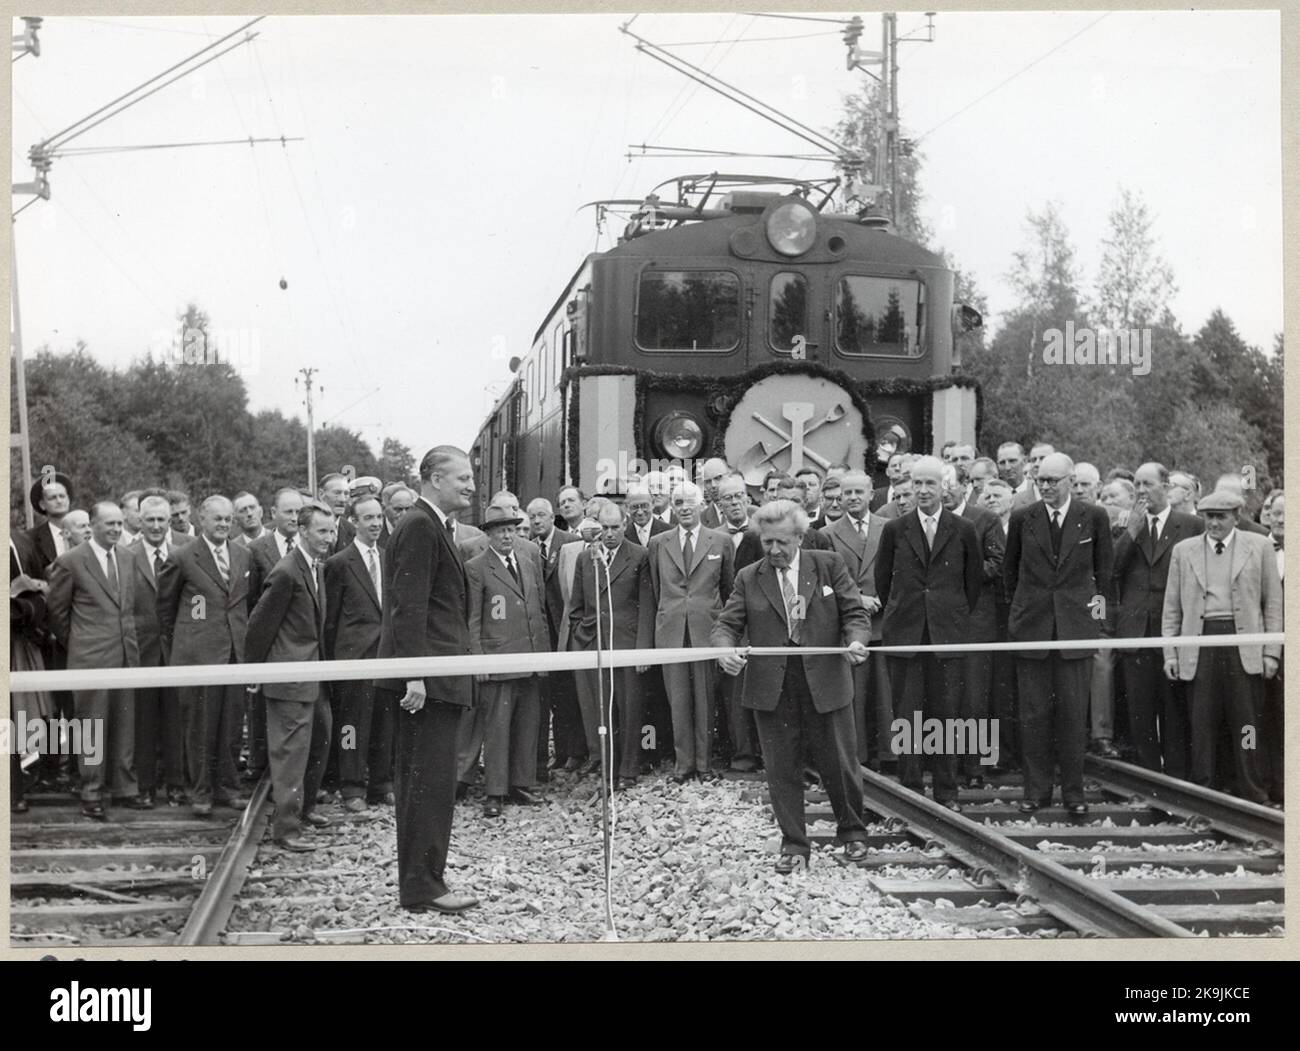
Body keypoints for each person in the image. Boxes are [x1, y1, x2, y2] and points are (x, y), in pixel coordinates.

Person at [713, 500, 872, 872]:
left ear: (800, 537)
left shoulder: (828, 565)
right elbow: (725, 625)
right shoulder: (749, 576)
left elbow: (855, 614)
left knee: (840, 763)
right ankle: (795, 845)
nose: (774, 551)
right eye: (767, 542)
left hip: (825, 681)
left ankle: (853, 834)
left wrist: (855, 640)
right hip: (772, 686)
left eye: (782, 542)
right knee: (781, 769)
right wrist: (724, 652)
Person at [375, 446, 479, 914]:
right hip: (427, 684)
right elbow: (408, 606)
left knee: (432, 785)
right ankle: (423, 886)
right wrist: (413, 674)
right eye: (463, 478)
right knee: (426, 786)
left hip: (437, 679)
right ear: (435, 479)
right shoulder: (420, 526)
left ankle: (427, 879)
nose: (471, 486)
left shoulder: (429, 525)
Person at [1004, 453, 1114, 816]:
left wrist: (1095, 623)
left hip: (1075, 630)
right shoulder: (1023, 518)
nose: (1047, 487)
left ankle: (1074, 794)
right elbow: (1010, 574)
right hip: (1032, 628)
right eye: (1042, 481)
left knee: (1071, 714)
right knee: (1033, 714)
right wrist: (1020, 616)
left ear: (1071, 480)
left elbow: (1104, 577)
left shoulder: (1093, 517)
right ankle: (1036, 791)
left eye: (1053, 481)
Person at [875, 457, 983, 810]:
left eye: (930, 484)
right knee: (908, 713)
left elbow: (972, 584)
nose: (922, 491)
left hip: (946, 634)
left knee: (947, 714)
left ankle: (946, 790)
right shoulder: (895, 529)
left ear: (944, 488)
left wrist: (947, 615)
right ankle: (910, 790)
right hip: (906, 633)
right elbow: (883, 579)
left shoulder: (963, 528)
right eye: (917, 484)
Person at [1162, 489, 1281, 804]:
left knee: (1246, 722)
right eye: (1208, 517)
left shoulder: (1259, 547)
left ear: (1236, 517)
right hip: (1199, 644)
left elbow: (1273, 604)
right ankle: (1205, 790)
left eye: (1221, 517)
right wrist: (1170, 653)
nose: (1213, 523)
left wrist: (1270, 652)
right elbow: (1172, 607)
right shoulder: (1184, 551)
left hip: (1243, 644)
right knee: (1202, 721)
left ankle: (1251, 790)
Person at [245, 502, 337, 851]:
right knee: (290, 755)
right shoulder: (286, 571)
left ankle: (304, 809)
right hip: (290, 678)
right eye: (322, 532)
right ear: (302, 531)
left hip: (314, 674)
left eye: (331, 531)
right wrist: (255, 672)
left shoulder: (314, 567)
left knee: (321, 742)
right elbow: (258, 625)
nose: (329, 538)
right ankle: (286, 829)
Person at [157, 495, 252, 817]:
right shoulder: (183, 557)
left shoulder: (242, 554)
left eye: (228, 519)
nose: (224, 524)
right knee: (199, 728)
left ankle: (228, 787)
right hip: (197, 657)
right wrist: (183, 652)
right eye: (217, 519)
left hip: (234, 655)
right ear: (202, 518)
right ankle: (199, 792)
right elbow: (165, 611)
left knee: (230, 726)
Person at [47, 501, 142, 820]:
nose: (116, 529)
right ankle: (92, 793)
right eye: (109, 524)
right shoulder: (71, 561)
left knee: (126, 724)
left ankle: (125, 788)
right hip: (90, 659)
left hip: (126, 656)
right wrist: (80, 644)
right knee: (92, 727)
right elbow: (57, 614)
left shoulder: (129, 557)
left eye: (119, 524)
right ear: (93, 525)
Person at [638, 481, 734, 782]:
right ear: (671, 506)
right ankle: (684, 765)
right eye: (678, 502)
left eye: (690, 501)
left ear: (702, 503)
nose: (684, 507)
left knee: (705, 699)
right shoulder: (658, 543)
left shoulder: (720, 541)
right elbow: (653, 592)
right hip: (671, 631)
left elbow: (729, 589)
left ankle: (704, 765)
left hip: (708, 629)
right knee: (677, 700)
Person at [1111, 462, 1203, 777]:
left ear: (1165, 485)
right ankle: (1147, 778)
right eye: (1136, 484)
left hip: (1173, 630)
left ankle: (1177, 778)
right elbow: (1110, 570)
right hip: (1135, 630)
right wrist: (1132, 531)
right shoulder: (1128, 526)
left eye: (1147, 483)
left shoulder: (1189, 525)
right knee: (1140, 711)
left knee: (1174, 709)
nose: (1140, 491)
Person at [458, 505, 548, 816]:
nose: (508, 535)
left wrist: (543, 655)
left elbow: (539, 610)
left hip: (530, 657)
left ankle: (520, 784)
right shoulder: (476, 567)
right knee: (497, 728)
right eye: (501, 530)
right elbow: (471, 619)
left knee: (527, 724)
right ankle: (495, 791)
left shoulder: (527, 560)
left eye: (511, 529)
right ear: (489, 534)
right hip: (497, 661)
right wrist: (478, 661)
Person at [568, 502, 648, 790]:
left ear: (625, 526)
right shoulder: (585, 558)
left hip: (627, 644)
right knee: (602, 709)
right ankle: (607, 767)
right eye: (605, 528)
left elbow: (646, 606)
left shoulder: (639, 556)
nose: (610, 534)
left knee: (629, 708)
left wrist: (642, 649)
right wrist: (581, 635)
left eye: (615, 527)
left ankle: (628, 769)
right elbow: (576, 605)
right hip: (594, 643)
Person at [323, 495, 394, 810]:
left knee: (385, 721)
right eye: (369, 518)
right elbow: (331, 620)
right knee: (352, 724)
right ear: (354, 522)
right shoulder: (339, 563)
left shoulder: (389, 557)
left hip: (386, 657)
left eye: (379, 517)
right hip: (355, 659)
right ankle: (352, 786)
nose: (376, 524)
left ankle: (382, 783)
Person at [822, 470, 891, 769]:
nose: (851, 498)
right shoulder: (828, 535)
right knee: (856, 696)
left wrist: (881, 599)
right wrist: (857, 599)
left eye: (857, 492)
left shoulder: (889, 528)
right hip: (850, 625)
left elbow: (897, 572)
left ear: (871, 494)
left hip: (885, 620)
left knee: (886, 695)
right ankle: (857, 758)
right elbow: (826, 583)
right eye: (846, 493)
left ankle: (890, 757)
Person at [943, 463, 1005, 786]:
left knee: (976, 696)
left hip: (975, 618)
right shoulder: (929, 521)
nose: (944, 492)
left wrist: (955, 572)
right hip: (939, 620)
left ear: (965, 485)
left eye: (949, 485)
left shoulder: (985, 519)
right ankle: (945, 765)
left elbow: (997, 563)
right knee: (944, 695)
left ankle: (976, 767)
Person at [124, 495, 186, 807]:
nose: (157, 526)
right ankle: (145, 786)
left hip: (176, 650)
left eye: (162, 520)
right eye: (150, 520)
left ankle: (176, 783)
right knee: (143, 721)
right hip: (142, 651)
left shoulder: (184, 550)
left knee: (176, 720)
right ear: (139, 520)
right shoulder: (126, 554)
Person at [246, 487, 304, 784]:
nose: (295, 518)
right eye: (289, 512)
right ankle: (259, 764)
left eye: (298, 512)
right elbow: (252, 601)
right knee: (262, 707)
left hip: (303, 642)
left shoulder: (310, 546)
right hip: (270, 641)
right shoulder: (257, 549)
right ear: (273, 514)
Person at [526, 497, 580, 780]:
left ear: (551, 517)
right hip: (542, 633)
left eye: (541, 516)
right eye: (532, 517)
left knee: (569, 694)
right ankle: (559, 752)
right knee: (551, 695)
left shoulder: (570, 542)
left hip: (565, 629)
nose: (536, 522)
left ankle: (573, 751)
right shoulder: (529, 548)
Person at [1261, 490, 1284, 803]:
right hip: (1264, 645)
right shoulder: (1255, 547)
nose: (1281, 520)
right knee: (1264, 717)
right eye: (1277, 513)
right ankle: (1269, 784)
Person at [25, 472, 75, 574]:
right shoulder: (30, 539)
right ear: (42, 504)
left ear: (68, 500)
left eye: (62, 496)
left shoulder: (87, 531)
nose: (59, 501)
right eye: (53, 497)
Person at [318, 473, 357, 553]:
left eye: (346, 494)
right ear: (321, 494)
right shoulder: (309, 526)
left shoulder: (351, 530)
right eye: (337, 493)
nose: (342, 499)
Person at [698, 458, 731, 528]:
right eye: (708, 481)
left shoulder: (750, 513)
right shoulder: (700, 521)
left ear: (729, 476)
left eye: (718, 478)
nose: (713, 485)